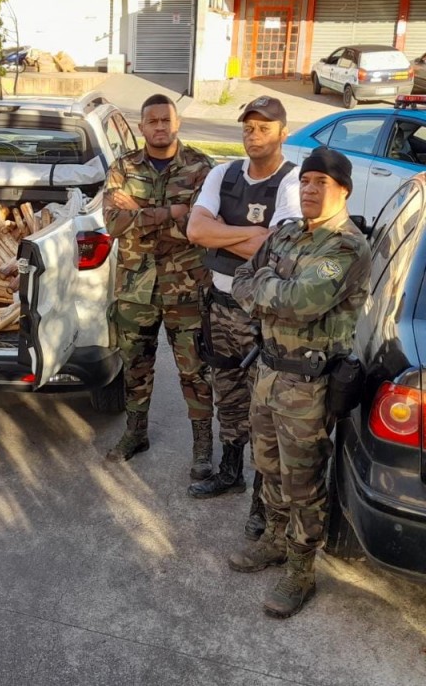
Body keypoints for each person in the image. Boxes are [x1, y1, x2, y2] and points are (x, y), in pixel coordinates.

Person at [229, 146, 370, 619]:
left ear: (343, 190)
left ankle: (301, 570)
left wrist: (265, 285)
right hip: (268, 371)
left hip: (309, 385)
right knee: (267, 466)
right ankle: (274, 538)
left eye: (321, 183)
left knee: (303, 481)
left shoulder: (346, 247)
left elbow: (302, 302)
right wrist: (271, 287)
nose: (309, 189)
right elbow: (240, 279)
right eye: (305, 181)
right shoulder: (287, 232)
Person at [185, 96, 301, 541]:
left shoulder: (291, 182)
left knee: (263, 409)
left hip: (261, 315)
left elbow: (278, 250)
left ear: (282, 132)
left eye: (264, 128)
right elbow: (196, 230)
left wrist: (223, 235)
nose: (254, 135)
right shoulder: (224, 173)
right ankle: (230, 472)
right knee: (228, 394)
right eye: (248, 127)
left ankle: (261, 500)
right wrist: (252, 235)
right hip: (219, 304)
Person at [103, 93, 215, 479]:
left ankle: (203, 446)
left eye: (166, 120)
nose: (160, 127)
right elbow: (113, 224)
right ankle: (136, 433)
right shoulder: (123, 167)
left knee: (195, 370)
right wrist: (171, 212)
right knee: (135, 364)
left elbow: (198, 228)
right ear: (141, 127)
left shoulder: (201, 168)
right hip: (136, 288)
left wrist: (139, 212)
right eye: (152, 121)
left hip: (187, 288)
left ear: (177, 123)